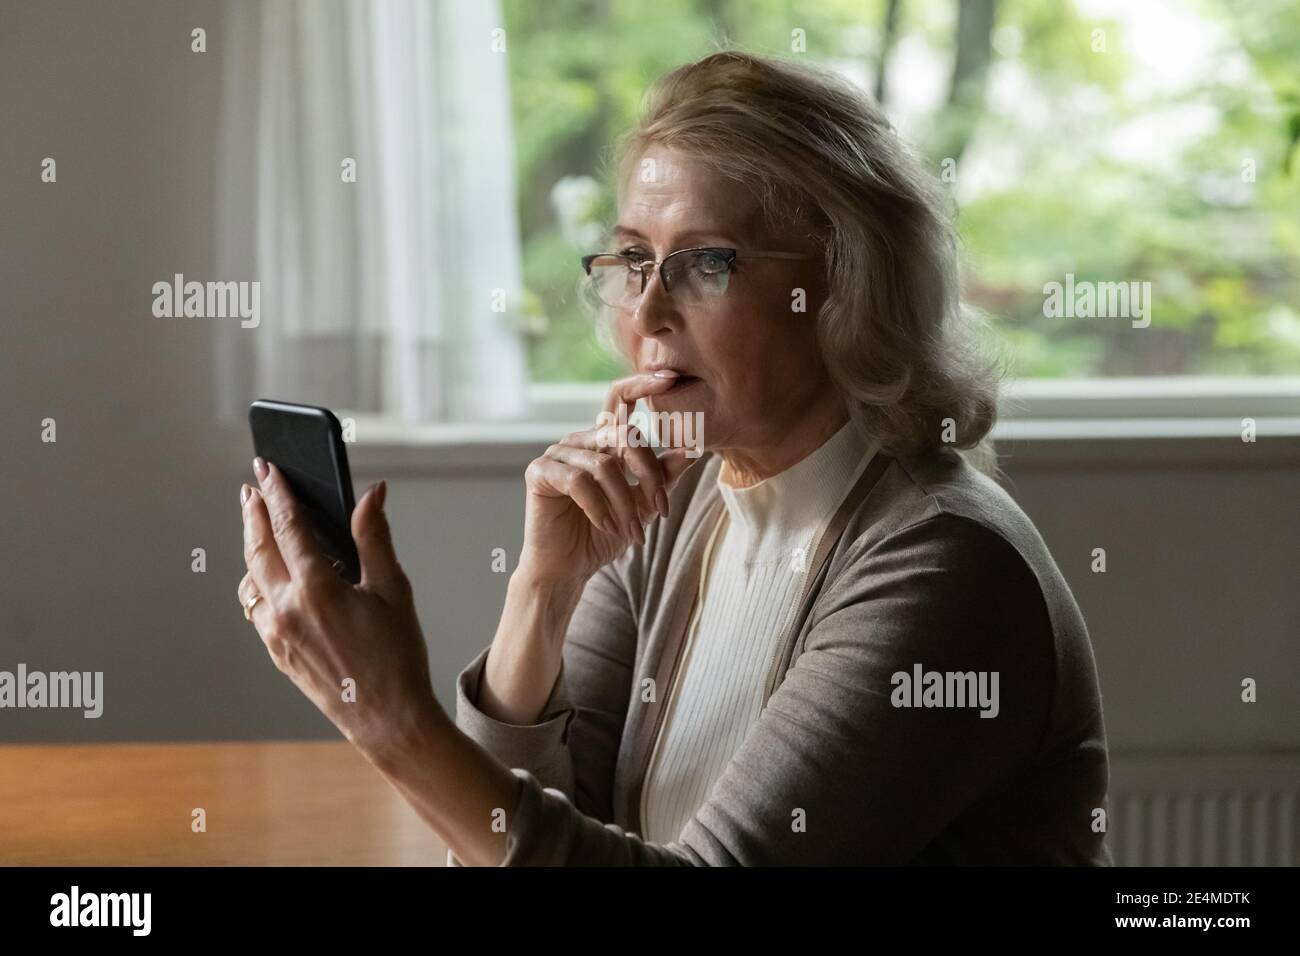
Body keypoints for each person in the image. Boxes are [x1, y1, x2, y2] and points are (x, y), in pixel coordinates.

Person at [236, 50, 1110, 865]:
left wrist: (391, 716)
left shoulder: (944, 562)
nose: (645, 311)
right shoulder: (676, 498)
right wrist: (542, 590)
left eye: (703, 264)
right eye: (631, 260)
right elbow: (524, 836)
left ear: (845, 285)